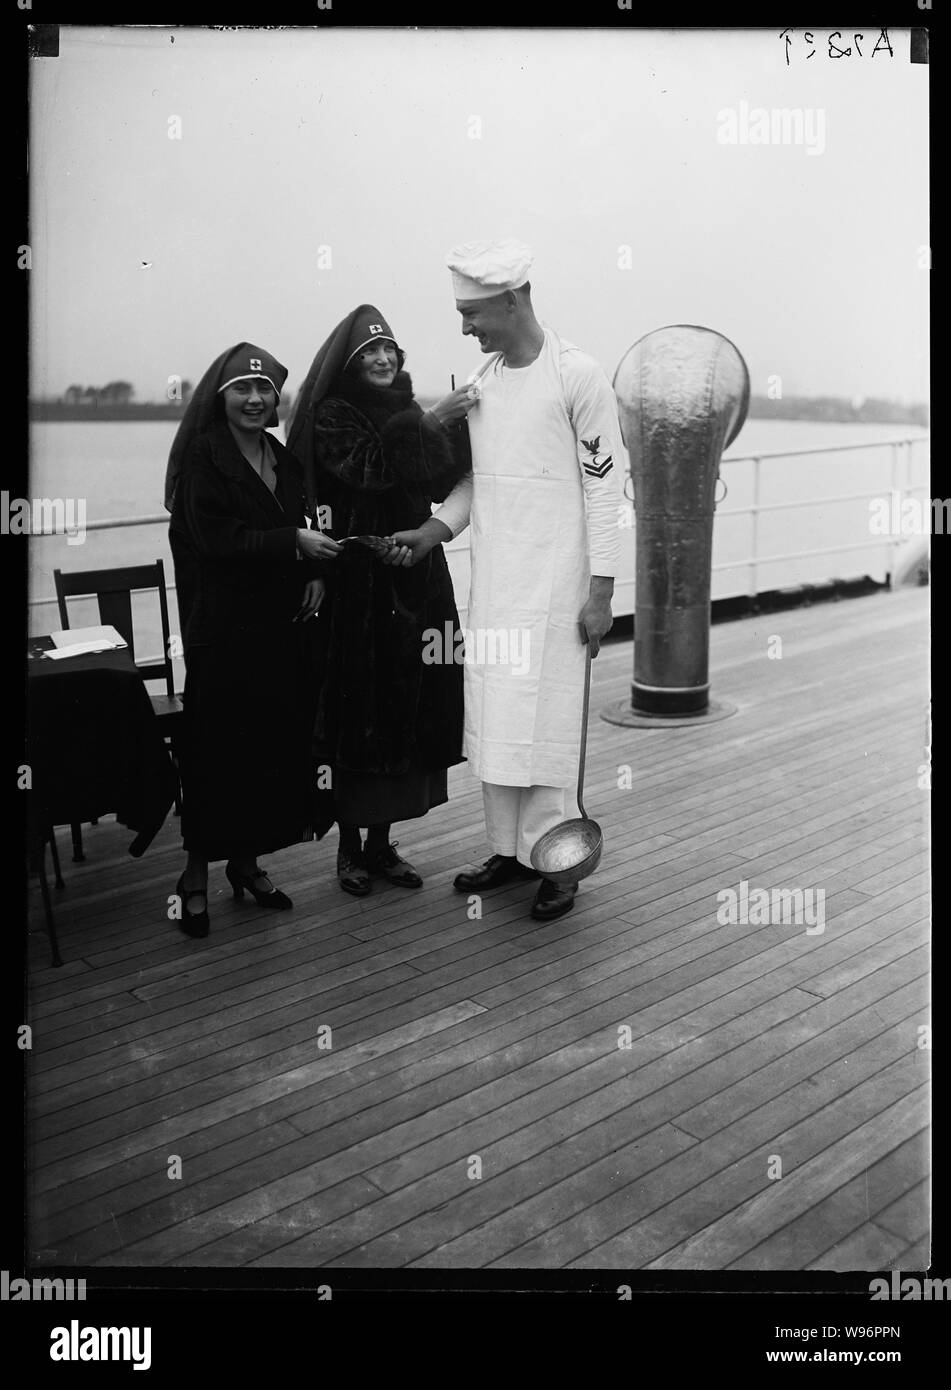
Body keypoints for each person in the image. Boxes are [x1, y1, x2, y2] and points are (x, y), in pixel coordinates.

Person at [381, 240, 623, 921]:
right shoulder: (480, 384)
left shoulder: (578, 376)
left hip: (559, 587)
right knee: (496, 719)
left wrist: (600, 590)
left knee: (544, 727)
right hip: (496, 583)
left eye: (472, 313)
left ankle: (558, 861)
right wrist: (434, 530)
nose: (465, 328)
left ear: (511, 301)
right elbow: (473, 483)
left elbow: (607, 493)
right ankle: (510, 851)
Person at [286, 306, 471, 895]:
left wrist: (454, 433)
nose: (383, 359)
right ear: (350, 362)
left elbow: (436, 485)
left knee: (407, 708)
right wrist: (432, 421)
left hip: (414, 573)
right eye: (370, 352)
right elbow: (370, 470)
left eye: (389, 350)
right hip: (358, 583)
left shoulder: (411, 411)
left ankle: (383, 846)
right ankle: (348, 849)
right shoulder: (333, 415)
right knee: (355, 709)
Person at [164, 342, 342, 937]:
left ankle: (246, 864)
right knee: (216, 754)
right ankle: (194, 877)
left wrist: (314, 569)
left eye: (265, 390)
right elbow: (217, 541)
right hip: (223, 636)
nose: (255, 399)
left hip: (279, 633)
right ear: (221, 396)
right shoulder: (203, 462)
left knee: (268, 749)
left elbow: (306, 523)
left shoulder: (282, 458)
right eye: (242, 388)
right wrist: (291, 541)